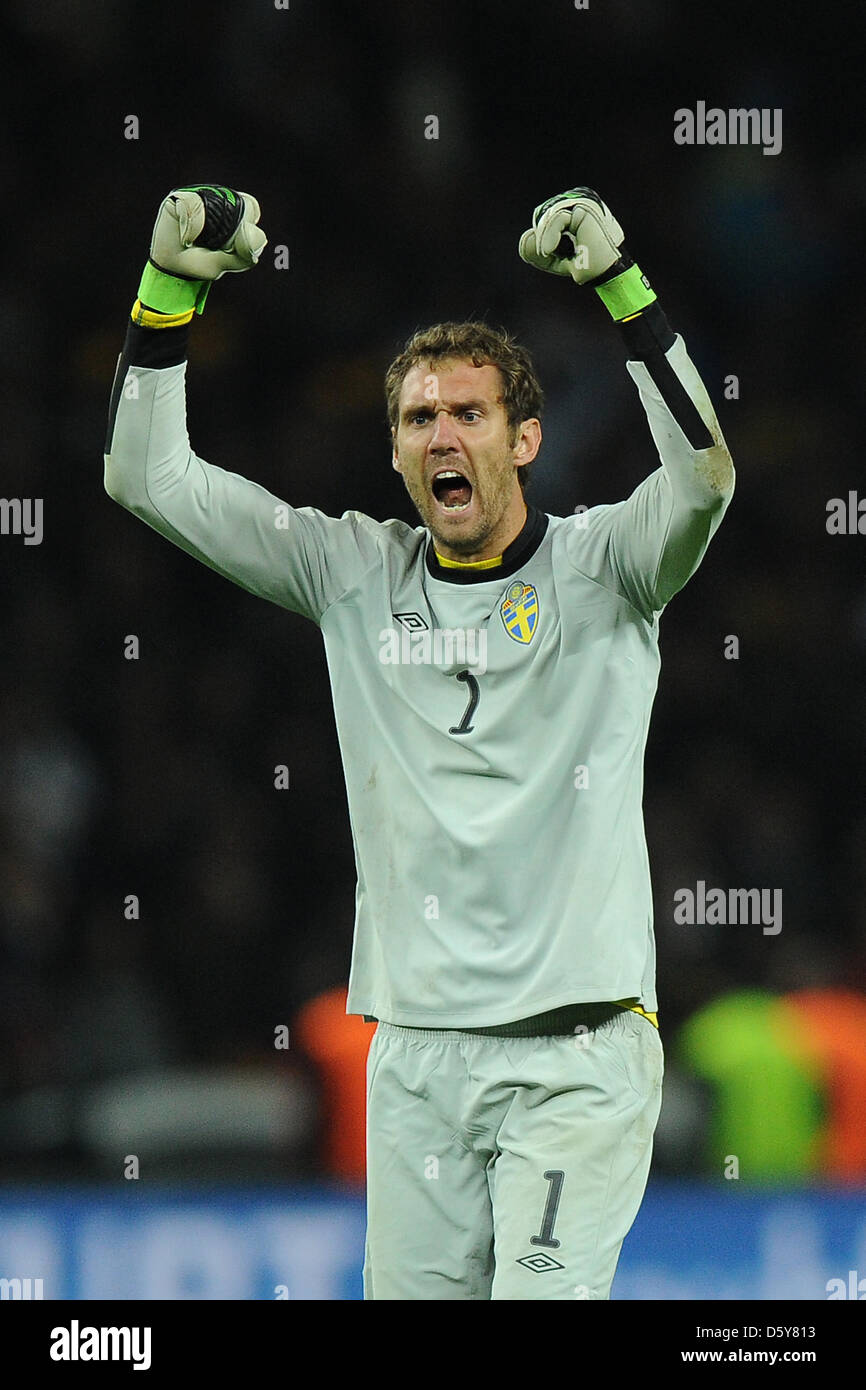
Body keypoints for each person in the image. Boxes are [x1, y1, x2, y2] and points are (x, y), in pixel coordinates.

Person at [104, 183, 735, 1300]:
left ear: (524, 439)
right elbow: (143, 478)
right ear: (395, 453)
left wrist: (620, 287)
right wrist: (167, 296)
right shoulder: (352, 573)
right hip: (416, 1062)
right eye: (416, 419)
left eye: (469, 414)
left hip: (576, 1056)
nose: (441, 434)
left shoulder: (606, 568)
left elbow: (704, 476)